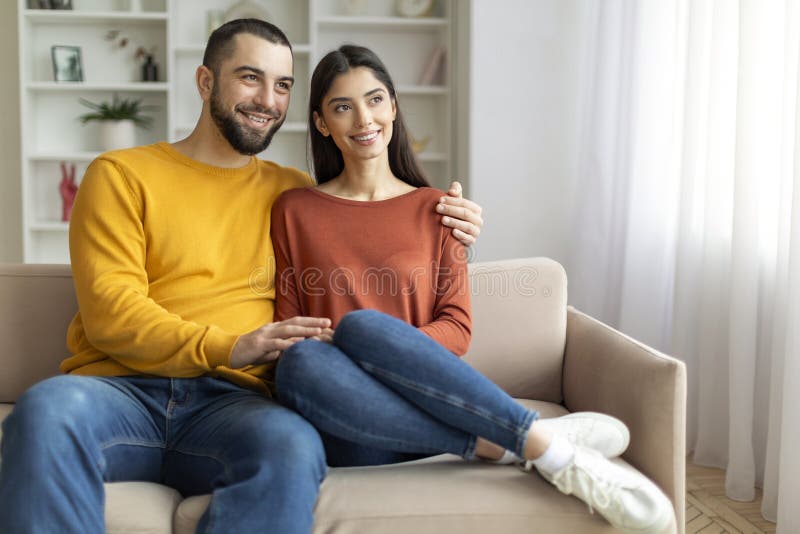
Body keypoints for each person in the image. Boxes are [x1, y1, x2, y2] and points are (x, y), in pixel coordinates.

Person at [0, 20, 484, 534]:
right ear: (205, 81)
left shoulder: (294, 196)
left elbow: (367, 256)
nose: (268, 100)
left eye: (282, 85)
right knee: (45, 412)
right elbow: (111, 312)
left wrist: (454, 226)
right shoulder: (121, 175)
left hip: (235, 406)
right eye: (250, 78)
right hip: (120, 393)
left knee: (292, 445)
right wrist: (231, 347)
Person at [270, 44, 674, 533]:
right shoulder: (293, 210)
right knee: (299, 364)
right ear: (321, 123)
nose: (363, 119)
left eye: (375, 100)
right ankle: (528, 438)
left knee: (361, 328)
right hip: (350, 421)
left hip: (420, 401)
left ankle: (529, 447)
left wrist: (371, 348)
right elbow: (288, 327)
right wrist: (341, 356)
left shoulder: (440, 210)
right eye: (342, 107)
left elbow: (457, 329)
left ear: (393, 106)